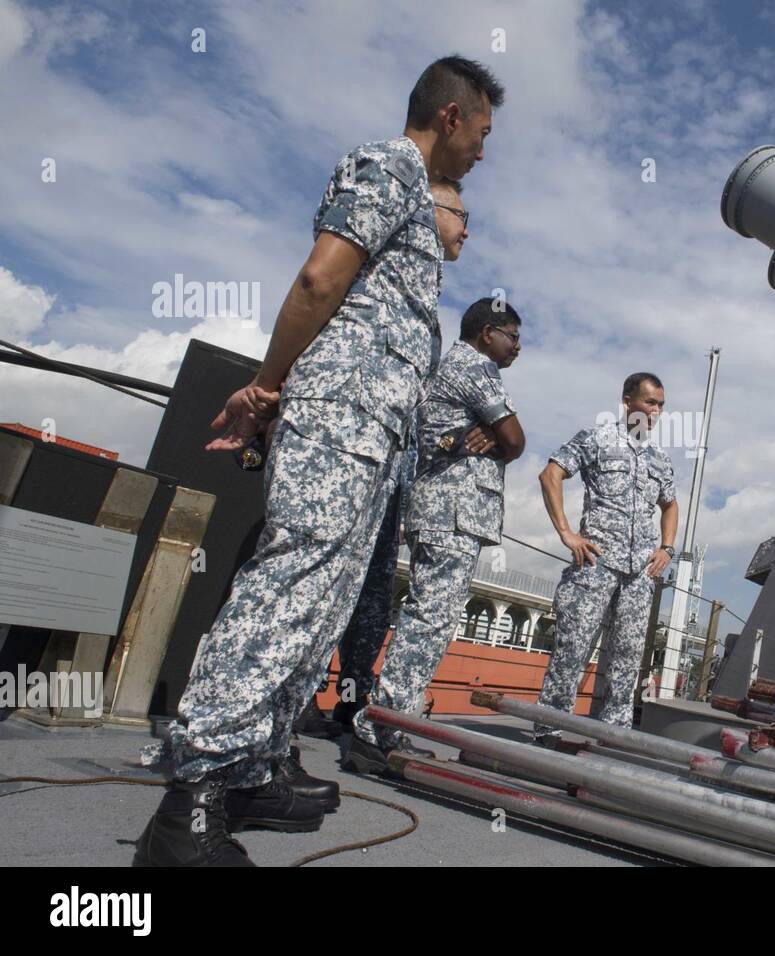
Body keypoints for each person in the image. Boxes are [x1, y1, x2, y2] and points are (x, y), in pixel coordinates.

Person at [134, 57, 504, 867]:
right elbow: (318, 280)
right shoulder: (388, 166)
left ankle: (256, 766)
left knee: (326, 603)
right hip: (341, 414)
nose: (483, 151)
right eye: (482, 133)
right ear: (450, 116)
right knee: (290, 585)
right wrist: (264, 389)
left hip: (373, 430)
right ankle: (191, 796)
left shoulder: (411, 192)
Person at [301, 178, 472, 737]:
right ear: (432, 210)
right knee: (325, 579)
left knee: (372, 598)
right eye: (461, 216)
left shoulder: (428, 310)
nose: (467, 230)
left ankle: (350, 703)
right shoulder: (374, 269)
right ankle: (292, 702)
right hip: (350, 449)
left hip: (395, 478)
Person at [347, 297, 524, 770]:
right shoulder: (476, 367)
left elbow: (499, 437)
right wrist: (494, 431)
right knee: (430, 619)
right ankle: (381, 727)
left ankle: (386, 722)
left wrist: (489, 431)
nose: (518, 347)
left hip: (443, 509)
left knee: (430, 616)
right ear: (487, 332)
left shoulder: (452, 367)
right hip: (453, 510)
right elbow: (516, 440)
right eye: (512, 336)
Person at [532, 374, 679, 744]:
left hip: (638, 574)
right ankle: (547, 730)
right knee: (572, 649)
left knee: (626, 659)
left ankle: (614, 739)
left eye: (660, 404)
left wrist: (667, 547)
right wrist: (567, 533)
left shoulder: (659, 459)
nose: (656, 411)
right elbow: (551, 474)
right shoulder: (596, 439)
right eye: (649, 402)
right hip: (595, 565)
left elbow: (670, 503)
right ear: (627, 401)